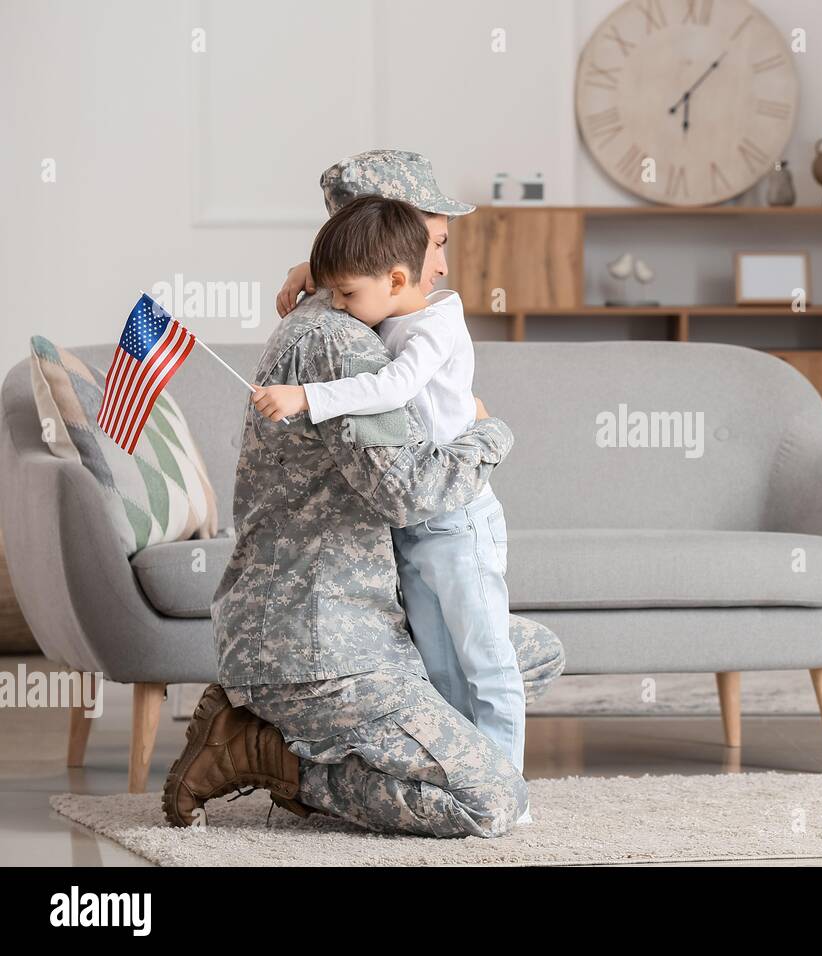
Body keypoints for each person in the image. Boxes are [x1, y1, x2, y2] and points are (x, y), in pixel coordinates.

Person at [162, 150, 563, 837]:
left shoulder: (345, 316)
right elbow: (411, 495)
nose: (440, 269)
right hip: (323, 648)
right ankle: (268, 753)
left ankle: (425, 749)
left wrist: (310, 268)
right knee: (492, 803)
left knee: (533, 653)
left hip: (358, 623)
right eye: (432, 243)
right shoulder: (341, 344)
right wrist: (488, 430)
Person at [250, 195, 527, 780]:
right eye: (335, 296)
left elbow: (394, 387)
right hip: (415, 529)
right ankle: (466, 770)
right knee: (439, 663)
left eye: (347, 297)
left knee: (488, 661)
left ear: (397, 278)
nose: (340, 307)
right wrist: (315, 276)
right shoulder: (388, 303)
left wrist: (309, 397)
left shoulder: (435, 326)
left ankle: (504, 785)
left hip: (457, 519)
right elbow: (365, 276)